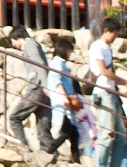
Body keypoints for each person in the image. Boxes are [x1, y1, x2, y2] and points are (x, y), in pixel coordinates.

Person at [88, 17, 127, 167]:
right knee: (107, 134)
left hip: (111, 93)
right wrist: (126, 82)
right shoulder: (98, 46)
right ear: (107, 31)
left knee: (121, 136)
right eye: (115, 33)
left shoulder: (107, 48)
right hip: (102, 93)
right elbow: (102, 71)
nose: (116, 37)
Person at [8, 23, 56, 154]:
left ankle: (24, 150)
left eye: (12, 41)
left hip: (37, 88)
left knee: (14, 118)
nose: (13, 44)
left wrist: (46, 86)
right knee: (43, 128)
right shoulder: (33, 45)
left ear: (17, 37)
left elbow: (39, 64)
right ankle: (50, 157)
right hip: (43, 89)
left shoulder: (29, 44)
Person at [47, 33, 83, 161]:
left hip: (66, 104)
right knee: (67, 132)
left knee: (74, 135)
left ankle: (76, 161)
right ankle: (48, 151)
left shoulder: (60, 63)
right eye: (69, 51)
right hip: (63, 104)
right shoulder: (58, 63)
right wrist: (64, 98)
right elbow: (57, 82)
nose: (70, 54)